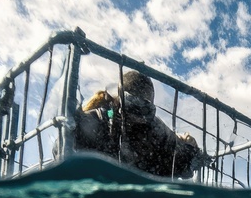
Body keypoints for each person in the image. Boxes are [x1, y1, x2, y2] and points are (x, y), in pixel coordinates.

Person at [74, 70, 207, 179]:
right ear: (119, 100)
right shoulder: (97, 120)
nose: (139, 117)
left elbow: (182, 165)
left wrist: (190, 148)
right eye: (133, 105)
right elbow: (65, 151)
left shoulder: (155, 128)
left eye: (146, 109)